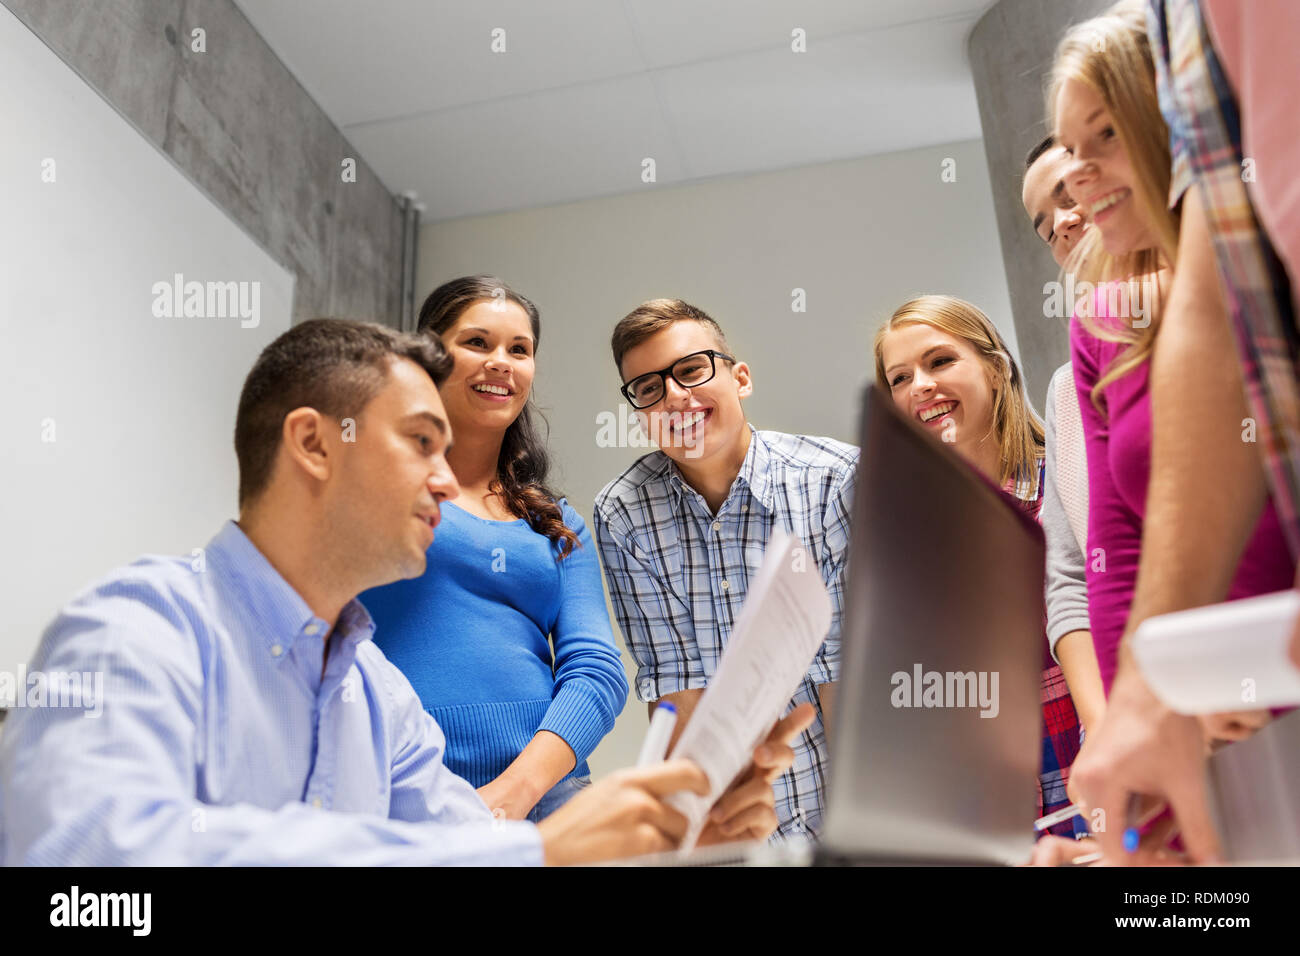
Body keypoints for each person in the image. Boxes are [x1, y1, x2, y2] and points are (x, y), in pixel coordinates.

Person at [0, 318, 810, 865]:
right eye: (422, 442)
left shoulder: (379, 698)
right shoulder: (137, 631)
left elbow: (473, 848)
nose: (442, 481)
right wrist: (538, 849)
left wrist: (676, 832)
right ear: (315, 444)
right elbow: (82, 878)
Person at [1050, 0, 1296, 862]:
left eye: (1105, 135)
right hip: (1212, 722)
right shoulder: (1101, 325)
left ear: (1176, 122)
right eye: (1068, 154)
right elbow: (1115, 557)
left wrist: (1250, 670)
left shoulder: (1269, 275)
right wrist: (1138, 726)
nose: (1077, 174)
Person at [361, 277, 627, 823]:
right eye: (477, 343)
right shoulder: (376, 489)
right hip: (402, 791)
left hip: (546, 795)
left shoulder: (556, 523)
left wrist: (514, 793)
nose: (501, 362)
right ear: (429, 359)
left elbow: (597, 667)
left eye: (519, 350)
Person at [592, 298, 856, 841]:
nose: (674, 397)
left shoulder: (832, 480)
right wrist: (702, 838)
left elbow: (845, 682)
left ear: (741, 378)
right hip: (731, 830)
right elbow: (675, 688)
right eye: (648, 388)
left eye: (691, 370)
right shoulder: (624, 514)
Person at [873, 294, 1085, 838]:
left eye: (939, 361)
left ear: (995, 369)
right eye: (899, 379)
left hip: (1094, 757)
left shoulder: (1066, 480)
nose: (919, 385)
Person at [1021, 136, 1107, 747]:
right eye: (1044, 228)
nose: (1063, 227)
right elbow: (1069, 573)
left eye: (1068, 197)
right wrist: (1102, 725)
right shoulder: (1067, 391)